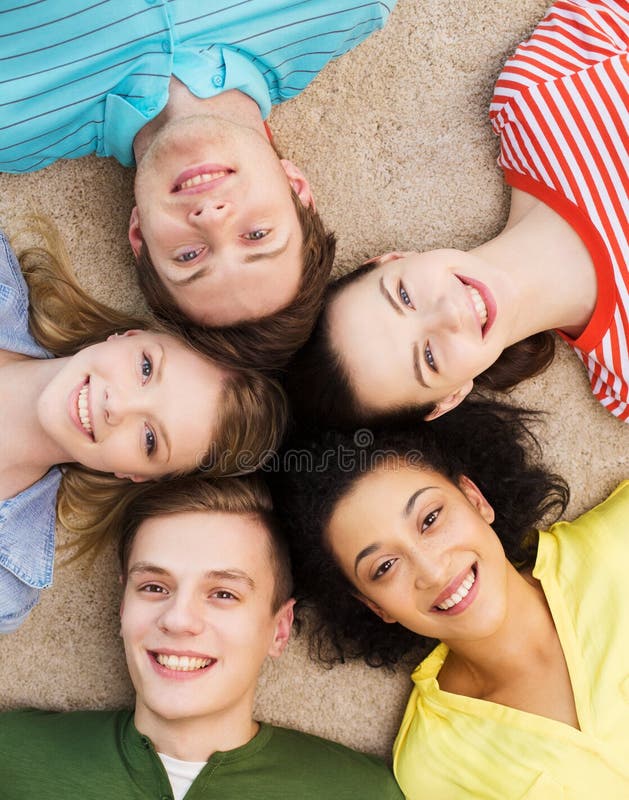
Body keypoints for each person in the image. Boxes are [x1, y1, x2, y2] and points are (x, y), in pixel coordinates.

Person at [0, 475, 435, 800]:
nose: (177, 618)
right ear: (122, 606)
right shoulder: (13, 759)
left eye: (223, 593)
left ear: (279, 630)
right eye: (154, 587)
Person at [273, 399, 629, 800]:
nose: (433, 570)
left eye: (430, 518)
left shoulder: (622, 542)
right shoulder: (436, 768)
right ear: (375, 606)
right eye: (384, 568)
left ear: (475, 498)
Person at [0, 2, 397, 368]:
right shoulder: (345, 7)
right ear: (296, 189)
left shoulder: (12, 123)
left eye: (189, 255)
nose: (211, 218)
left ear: (140, 237)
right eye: (257, 235)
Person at [290, 0, 629, 425]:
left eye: (405, 296)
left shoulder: (536, 98)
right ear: (450, 397)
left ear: (392, 259)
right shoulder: (623, 384)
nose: (449, 314)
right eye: (428, 357)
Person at [0, 225, 286, 633]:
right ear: (129, 337)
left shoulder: (7, 586)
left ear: (136, 476)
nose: (118, 406)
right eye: (146, 368)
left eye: (150, 439)